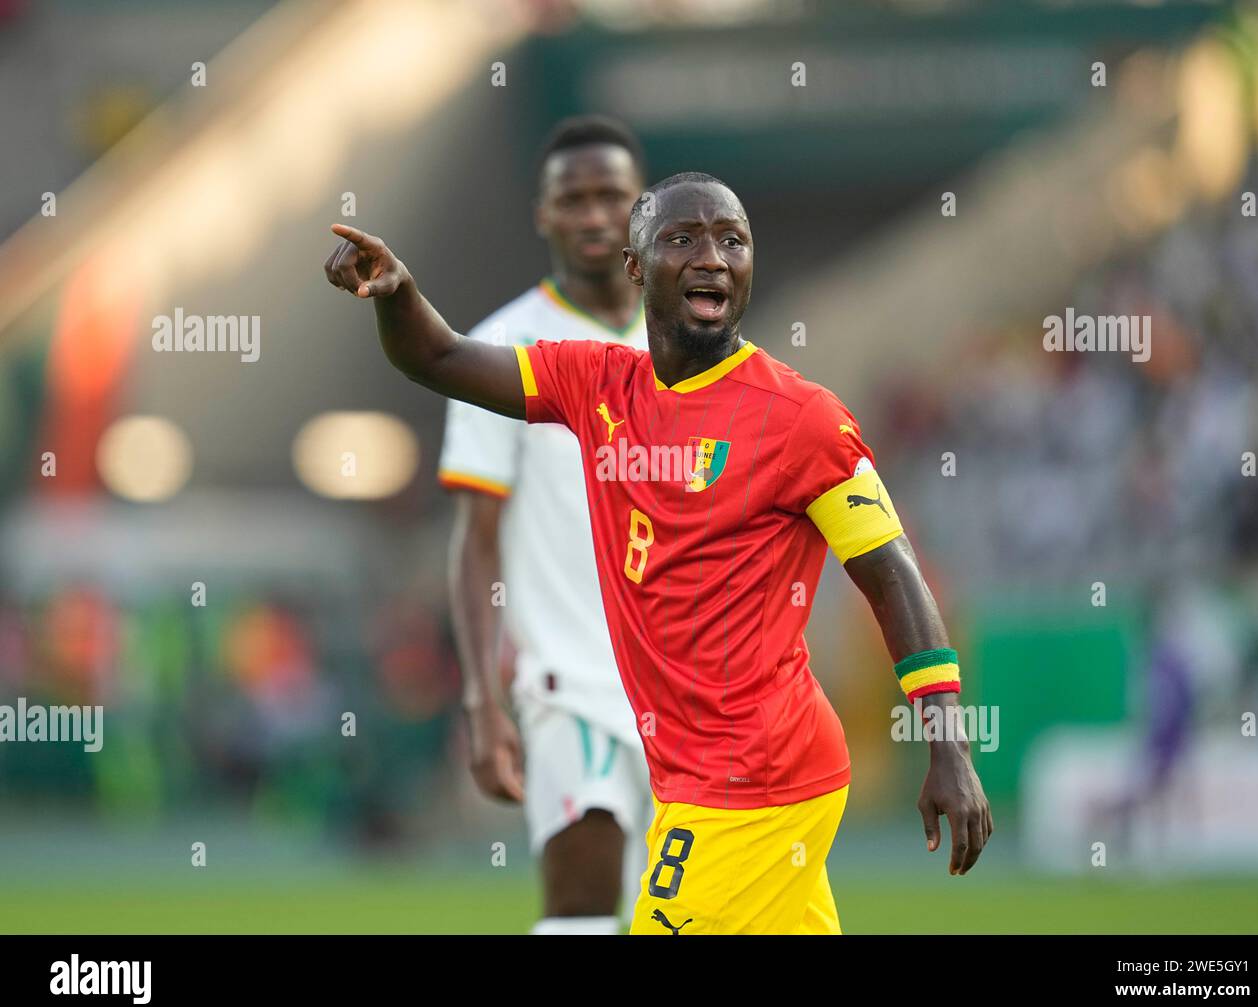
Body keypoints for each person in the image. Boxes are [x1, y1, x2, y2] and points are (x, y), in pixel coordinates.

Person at [324, 171, 993, 934]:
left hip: (758, 777)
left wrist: (948, 745)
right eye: (684, 239)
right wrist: (397, 292)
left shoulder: (801, 420)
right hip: (694, 773)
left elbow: (892, 574)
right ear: (636, 267)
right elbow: (439, 359)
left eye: (732, 241)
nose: (713, 257)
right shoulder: (597, 384)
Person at [437, 116, 651, 935]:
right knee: (583, 912)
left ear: (644, 210)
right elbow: (476, 536)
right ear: (544, 215)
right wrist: (481, 701)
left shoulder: (694, 344)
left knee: (699, 915)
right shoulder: (503, 347)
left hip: (691, 693)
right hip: (570, 686)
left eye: (613, 197)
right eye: (575, 199)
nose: (595, 216)